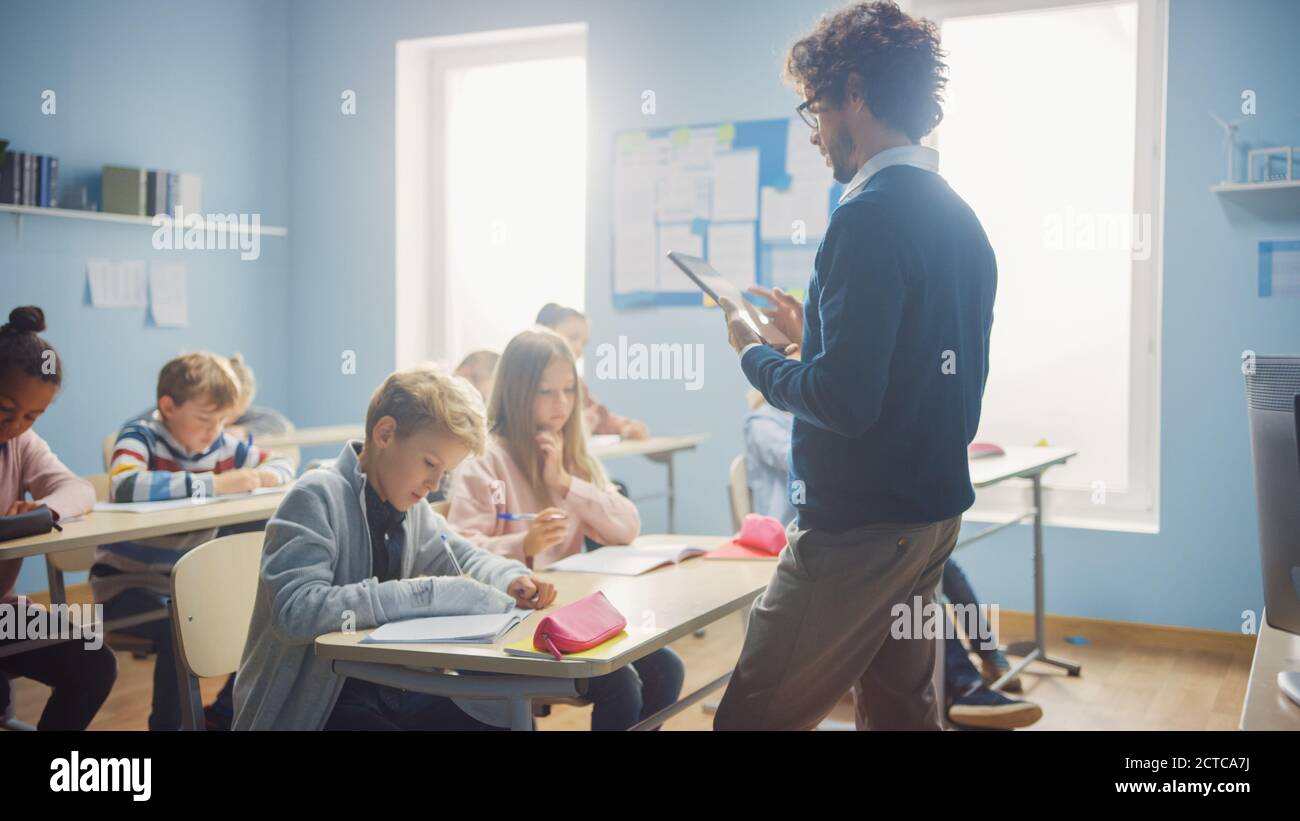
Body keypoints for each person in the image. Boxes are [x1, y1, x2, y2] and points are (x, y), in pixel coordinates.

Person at [714, 1, 997, 730]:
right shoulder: (960, 218)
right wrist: (813, 341)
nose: (814, 134)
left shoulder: (866, 217)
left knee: (749, 719)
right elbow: (917, 375)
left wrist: (752, 354)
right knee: (901, 715)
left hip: (860, 532)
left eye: (816, 106)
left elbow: (845, 402)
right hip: (930, 519)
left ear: (856, 92)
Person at [234, 367, 556, 730]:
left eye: (444, 472)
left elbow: (460, 554)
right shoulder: (315, 496)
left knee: (504, 719)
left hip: (386, 687)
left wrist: (510, 577)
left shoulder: (411, 508)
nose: (434, 483)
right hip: (313, 706)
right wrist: (421, 594)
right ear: (385, 433)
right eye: (430, 463)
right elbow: (295, 613)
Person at [447, 328, 684, 730]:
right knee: (620, 684)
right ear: (518, 392)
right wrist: (524, 543)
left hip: (570, 617)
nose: (561, 405)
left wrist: (563, 483)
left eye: (568, 390)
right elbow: (458, 554)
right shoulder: (484, 461)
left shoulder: (568, 454)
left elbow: (626, 526)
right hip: (512, 622)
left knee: (668, 669)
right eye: (546, 392)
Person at [94, 352, 294, 730]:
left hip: (184, 586)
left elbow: (282, 461)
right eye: (205, 419)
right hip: (124, 588)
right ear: (168, 407)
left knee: (261, 616)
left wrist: (264, 475)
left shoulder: (218, 443)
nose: (214, 430)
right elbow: (125, 485)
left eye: (222, 420)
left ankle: (221, 713)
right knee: (180, 629)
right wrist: (214, 484)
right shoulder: (141, 436)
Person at [0, 306, 117, 730]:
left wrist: (44, 509)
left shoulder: (22, 443)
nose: (15, 426)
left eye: (31, 417)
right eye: (5, 409)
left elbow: (79, 489)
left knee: (93, 663)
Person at [535, 303, 649, 440]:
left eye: (584, 343)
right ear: (545, 332)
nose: (579, 348)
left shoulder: (577, 384)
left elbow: (600, 416)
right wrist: (577, 425)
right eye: (572, 337)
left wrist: (625, 427)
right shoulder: (527, 380)